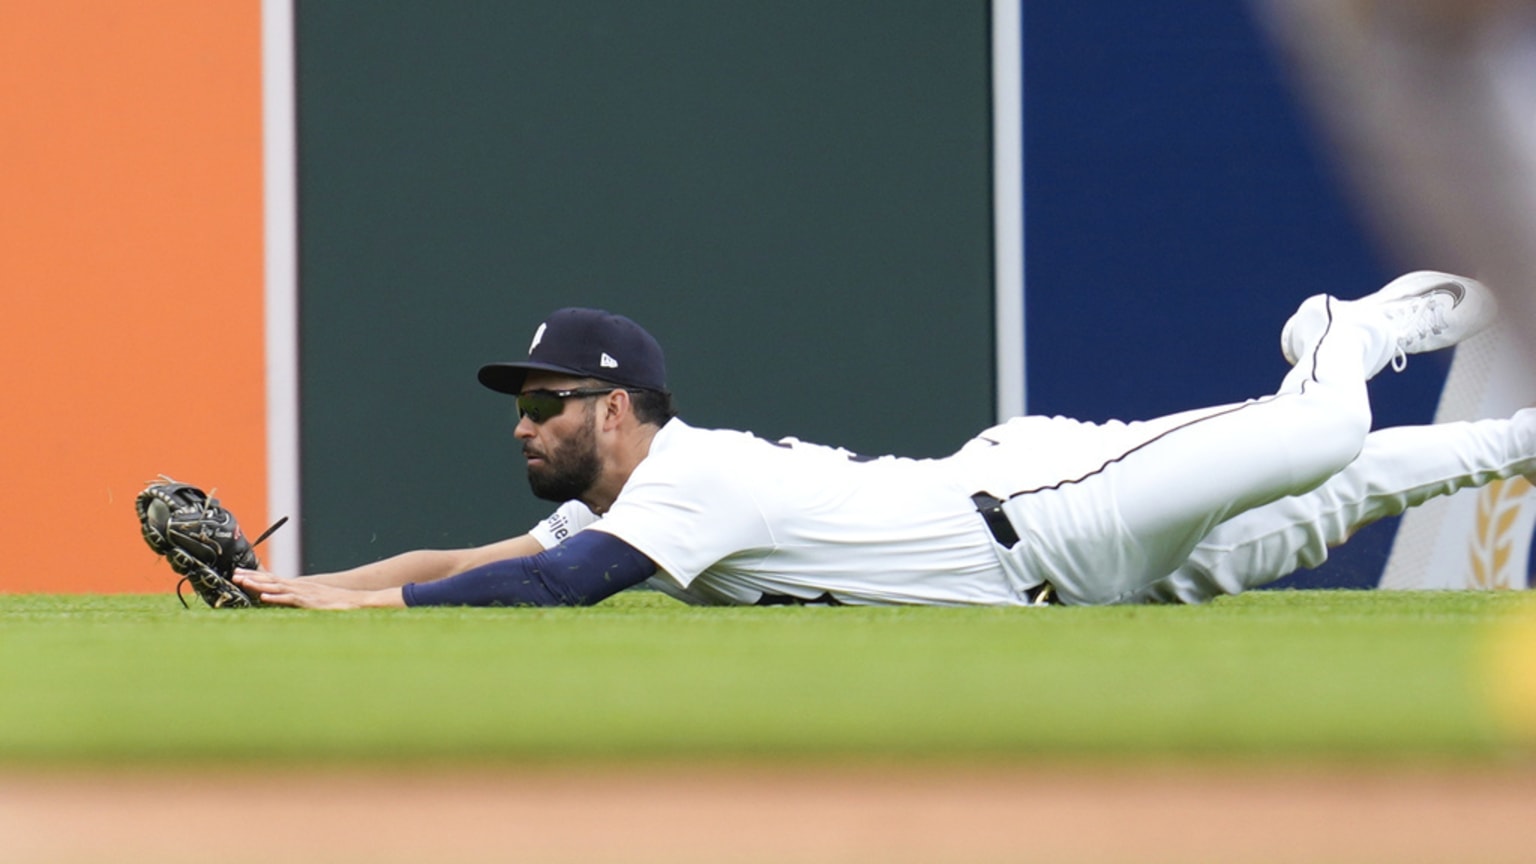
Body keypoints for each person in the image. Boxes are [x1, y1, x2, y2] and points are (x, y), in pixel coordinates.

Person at [235, 271, 1535, 609]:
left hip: (1056, 508)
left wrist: (352, 620)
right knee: (1341, 499)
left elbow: (557, 587)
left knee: (1324, 427)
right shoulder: (642, 497)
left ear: (614, 407)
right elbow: (471, 559)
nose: (523, 423)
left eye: (542, 403)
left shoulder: (691, 486)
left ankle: (1336, 331)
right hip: (1082, 572)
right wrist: (299, 592)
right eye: (522, 404)